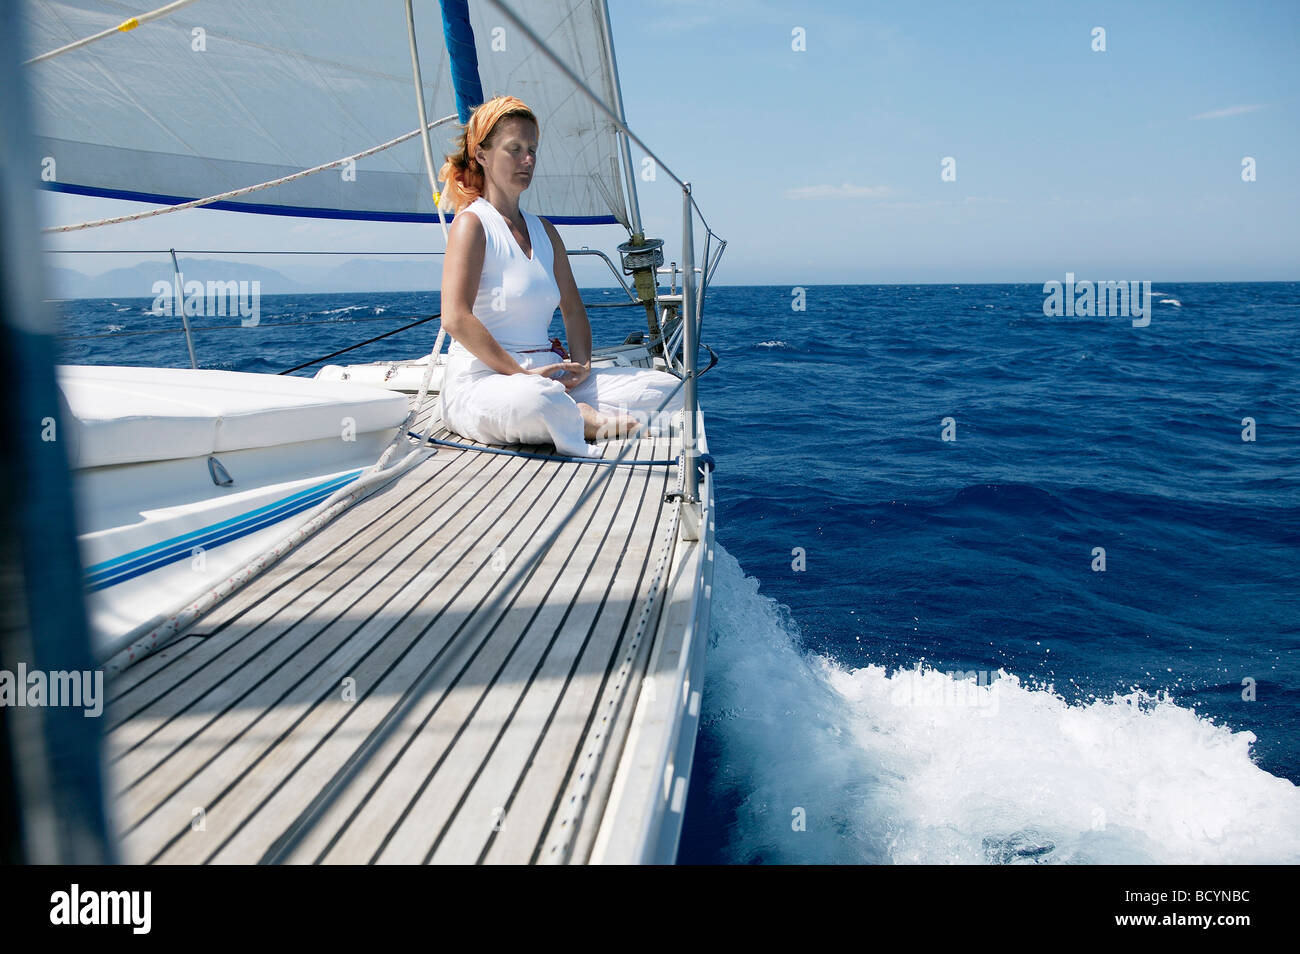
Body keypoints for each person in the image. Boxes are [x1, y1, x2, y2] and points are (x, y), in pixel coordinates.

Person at [435, 95, 684, 458]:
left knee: (668, 390)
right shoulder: (472, 225)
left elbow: (573, 310)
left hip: (549, 375)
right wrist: (521, 375)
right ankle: (583, 419)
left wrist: (582, 366)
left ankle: (575, 414)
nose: (528, 159)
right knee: (535, 401)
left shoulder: (545, 231)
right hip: (485, 381)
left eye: (533, 149)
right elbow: (455, 318)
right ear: (482, 155)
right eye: (515, 149)